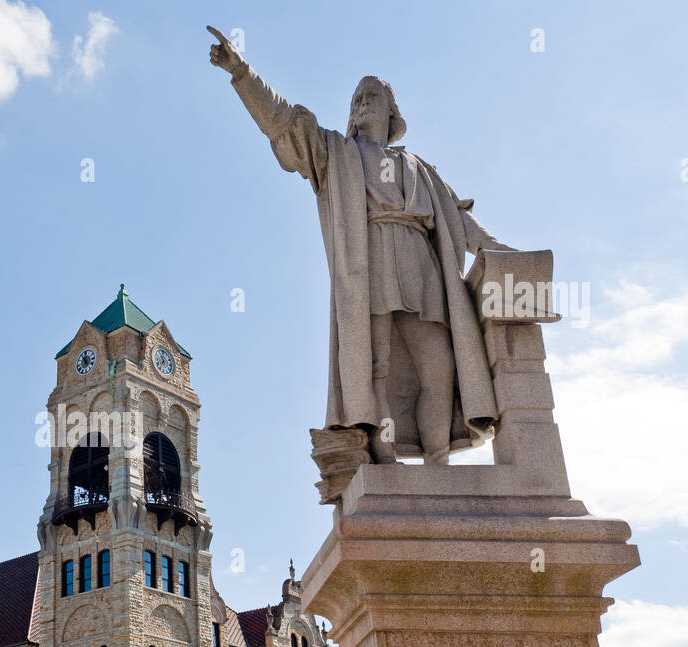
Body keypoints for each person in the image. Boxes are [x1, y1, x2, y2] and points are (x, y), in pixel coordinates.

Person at [208, 27, 514, 464]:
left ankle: (438, 460)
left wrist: (498, 248)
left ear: (392, 110)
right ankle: (383, 463)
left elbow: (457, 216)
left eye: (372, 95)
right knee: (374, 366)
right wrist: (241, 72)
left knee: (440, 363)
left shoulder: (418, 167)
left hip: (418, 260)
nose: (363, 101)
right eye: (357, 98)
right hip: (366, 262)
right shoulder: (336, 153)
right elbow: (284, 121)